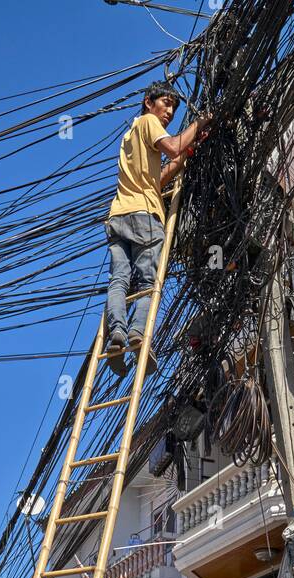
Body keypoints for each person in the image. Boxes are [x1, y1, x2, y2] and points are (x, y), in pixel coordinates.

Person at [105, 81, 214, 377]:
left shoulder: (130, 135)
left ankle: (116, 334)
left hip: (118, 216)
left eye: (173, 108)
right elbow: (174, 145)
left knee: (118, 280)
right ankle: (138, 333)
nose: (168, 112)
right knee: (147, 282)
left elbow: (159, 178)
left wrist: (190, 148)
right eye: (165, 103)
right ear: (148, 101)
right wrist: (200, 121)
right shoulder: (149, 122)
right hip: (145, 216)